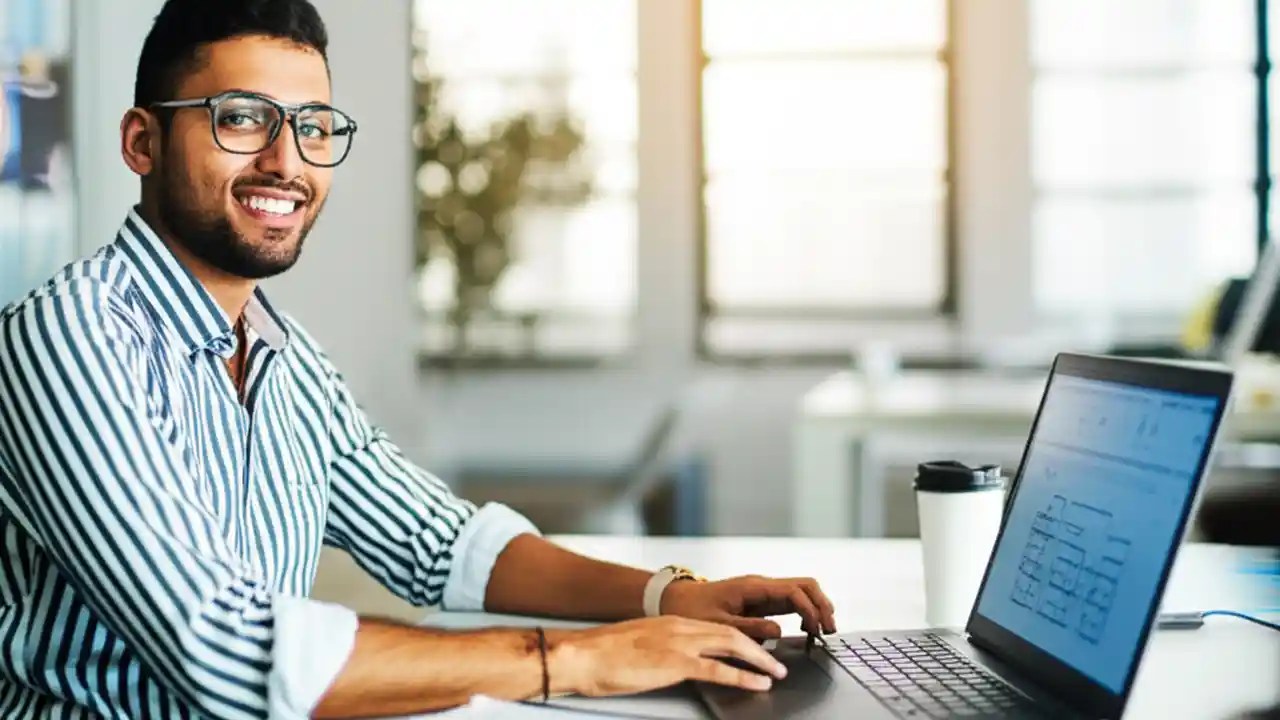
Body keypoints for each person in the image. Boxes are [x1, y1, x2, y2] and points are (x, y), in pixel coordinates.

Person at [0, 1, 837, 717]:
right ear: (142, 141)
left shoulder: (284, 360)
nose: (286, 162)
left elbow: (445, 545)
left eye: (312, 126)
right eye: (241, 117)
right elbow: (225, 649)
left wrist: (666, 596)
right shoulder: (69, 339)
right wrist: (575, 663)